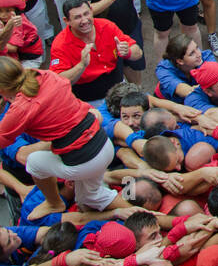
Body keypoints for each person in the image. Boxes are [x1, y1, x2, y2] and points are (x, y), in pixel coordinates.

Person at [0, 58, 132, 216]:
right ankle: (147, 216)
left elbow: (21, 154)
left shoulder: (20, 108)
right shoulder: (44, 75)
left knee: (34, 162)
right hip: (103, 145)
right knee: (89, 197)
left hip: (84, 160)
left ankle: (54, 203)